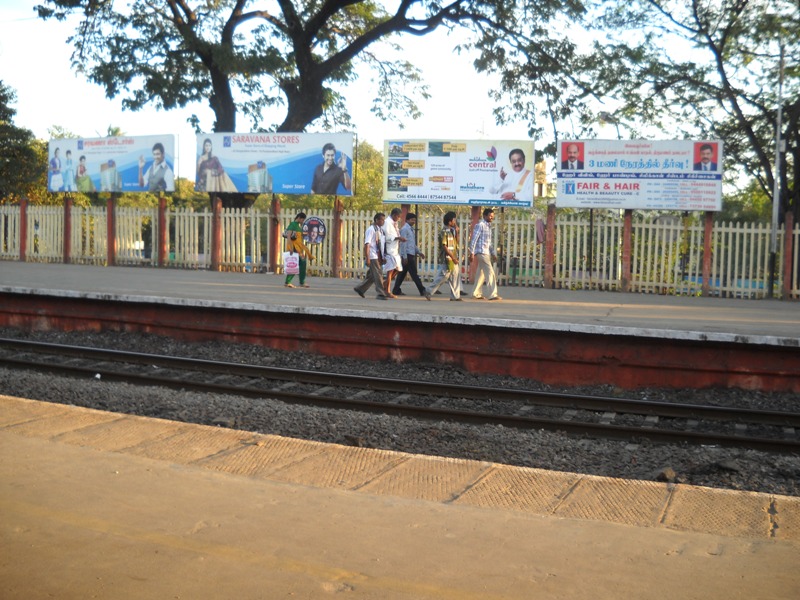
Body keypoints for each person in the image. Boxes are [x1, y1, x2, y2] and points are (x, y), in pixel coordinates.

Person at [424, 211, 464, 301]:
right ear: (449, 222)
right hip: (447, 258)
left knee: (455, 276)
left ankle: (455, 296)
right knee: (443, 276)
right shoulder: (444, 232)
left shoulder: (452, 231)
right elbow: (445, 246)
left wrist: (457, 232)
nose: (455, 222)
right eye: (454, 220)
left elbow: (457, 242)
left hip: (453, 256)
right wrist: (453, 257)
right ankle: (428, 290)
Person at [468, 208, 502, 301]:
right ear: (484, 216)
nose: (491, 217)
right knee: (490, 273)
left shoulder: (488, 227)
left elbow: (489, 243)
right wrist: (471, 253)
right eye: (490, 216)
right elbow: (474, 239)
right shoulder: (480, 225)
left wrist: (493, 253)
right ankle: (492, 294)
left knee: (481, 274)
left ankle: (475, 293)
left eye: (492, 216)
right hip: (481, 252)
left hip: (486, 252)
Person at [354, 213, 390, 300]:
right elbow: (367, 244)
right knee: (378, 274)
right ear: (376, 220)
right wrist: (368, 258)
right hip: (373, 255)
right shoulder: (371, 230)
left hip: (378, 255)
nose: (383, 221)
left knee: (372, 275)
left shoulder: (380, 230)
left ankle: (360, 288)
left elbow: (381, 244)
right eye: (381, 220)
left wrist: (383, 256)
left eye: (384, 220)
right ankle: (380, 293)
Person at [392, 212, 426, 297]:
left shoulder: (411, 229)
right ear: (407, 220)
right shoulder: (405, 229)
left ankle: (396, 290)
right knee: (414, 274)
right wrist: (404, 257)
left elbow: (412, 243)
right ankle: (422, 290)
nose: (413, 221)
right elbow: (403, 244)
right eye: (412, 220)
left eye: (414, 220)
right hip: (407, 255)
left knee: (402, 273)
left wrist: (419, 252)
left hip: (410, 254)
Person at [283, 212, 315, 288]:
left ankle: (289, 282)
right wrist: (291, 248)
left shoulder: (298, 226)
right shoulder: (292, 224)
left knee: (298, 263)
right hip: (294, 248)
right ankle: (300, 282)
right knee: (300, 263)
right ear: (299, 218)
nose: (303, 221)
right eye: (302, 219)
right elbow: (288, 236)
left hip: (298, 248)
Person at [382, 207, 405, 298]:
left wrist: (399, 238)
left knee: (398, 268)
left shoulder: (394, 223)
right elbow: (386, 237)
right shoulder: (387, 223)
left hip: (395, 250)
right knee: (390, 270)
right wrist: (398, 238)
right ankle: (387, 291)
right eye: (398, 217)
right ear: (394, 215)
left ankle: (385, 283)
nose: (399, 219)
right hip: (389, 250)